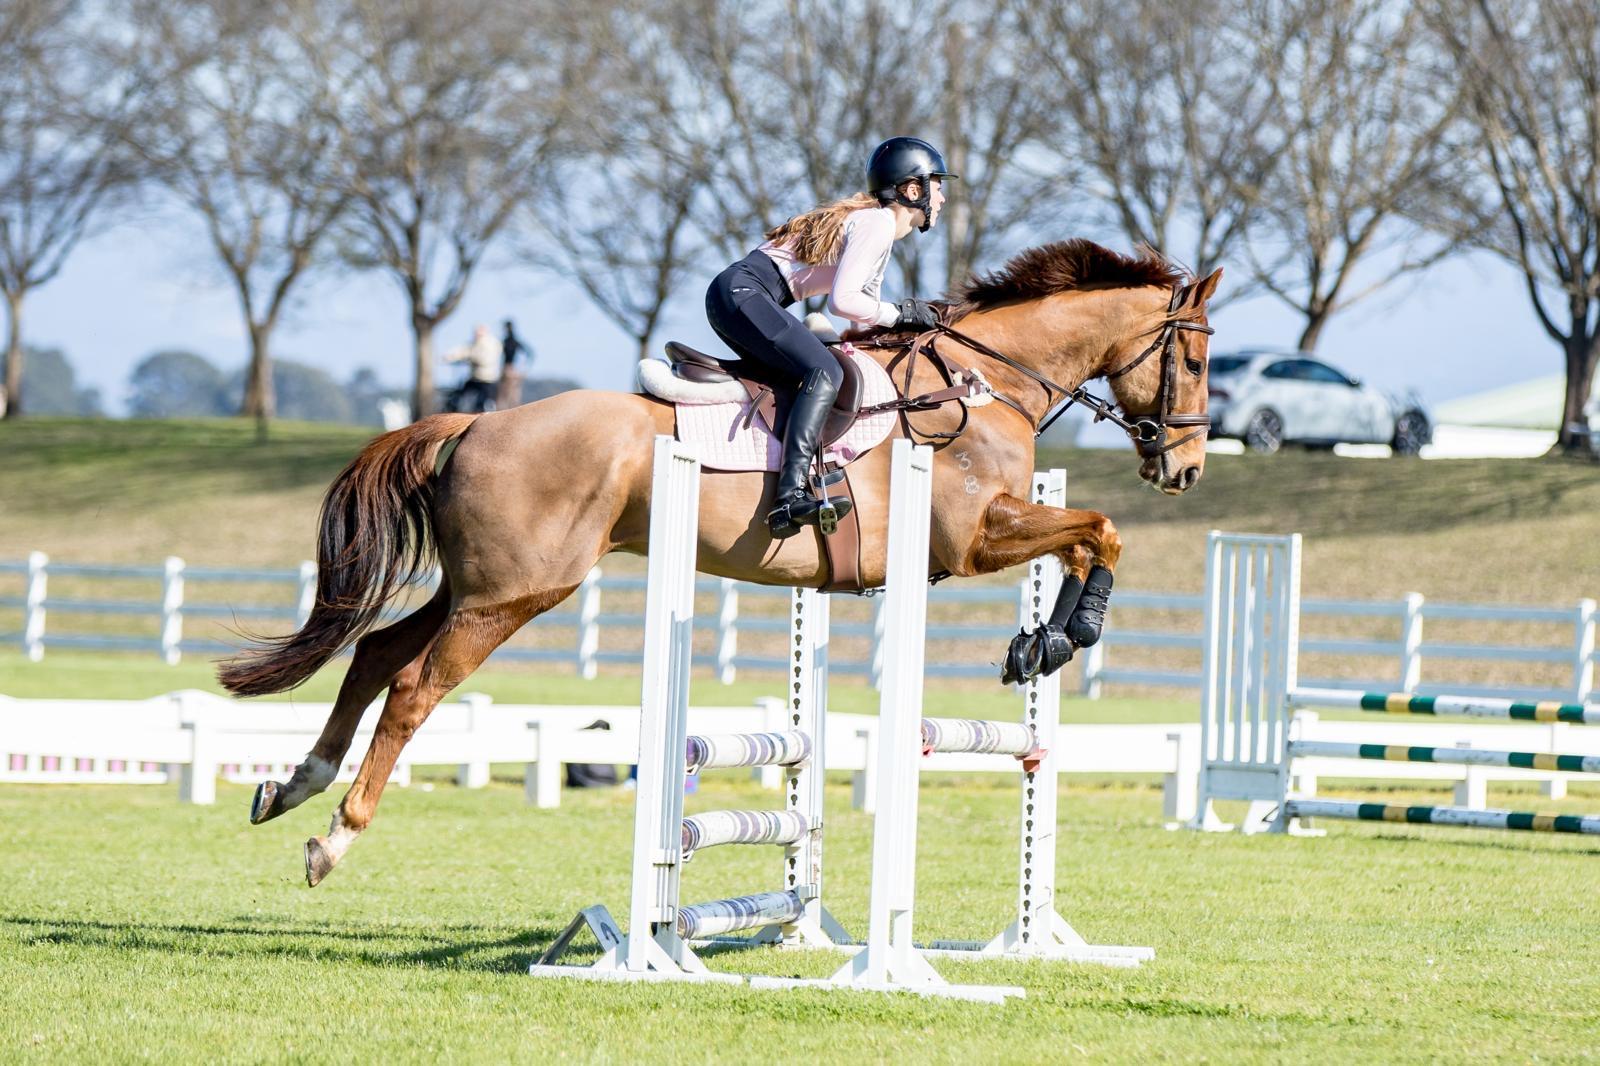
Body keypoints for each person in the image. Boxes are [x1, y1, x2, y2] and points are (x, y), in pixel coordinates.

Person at [706, 136, 956, 539]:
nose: (942, 199)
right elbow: (844, 302)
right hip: (743, 293)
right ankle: (788, 497)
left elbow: (859, 316)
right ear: (913, 190)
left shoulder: (878, 228)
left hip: (738, 294)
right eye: (938, 187)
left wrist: (904, 326)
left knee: (818, 369)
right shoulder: (875, 223)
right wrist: (901, 313)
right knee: (823, 371)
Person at [442, 324, 501, 413]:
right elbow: (463, 350)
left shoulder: (491, 344)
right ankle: (452, 411)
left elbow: (484, 358)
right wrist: (450, 356)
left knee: (482, 403)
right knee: (458, 395)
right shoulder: (475, 343)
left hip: (488, 380)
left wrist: (470, 357)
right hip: (475, 378)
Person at [498, 320, 531, 409]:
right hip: (514, 370)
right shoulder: (516, 341)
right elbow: (529, 354)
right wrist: (523, 368)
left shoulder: (506, 341)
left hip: (507, 369)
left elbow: (529, 354)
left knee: (504, 395)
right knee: (514, 395)